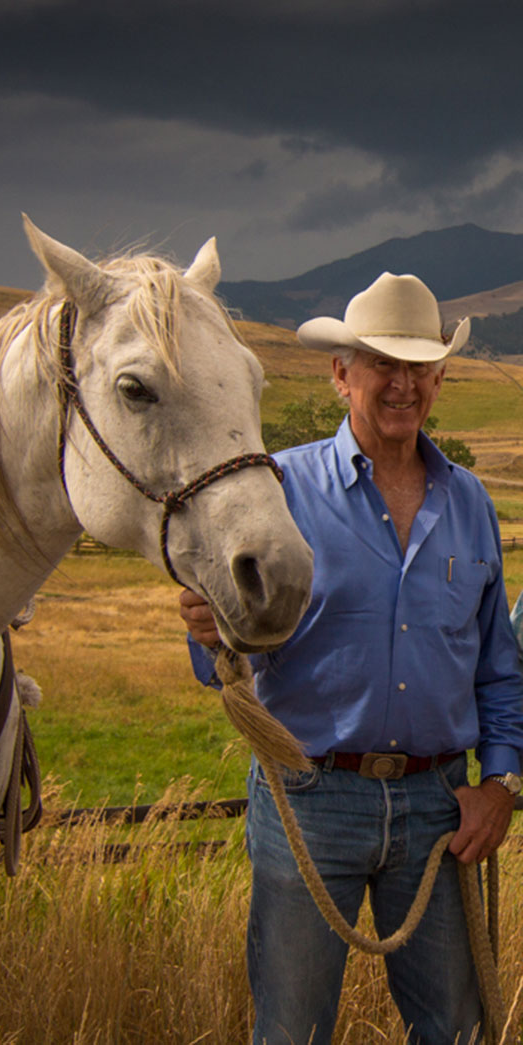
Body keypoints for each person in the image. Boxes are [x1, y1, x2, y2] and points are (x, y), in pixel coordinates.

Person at [180, 272, 523, 1045]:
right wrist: (209, 630)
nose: (403, 384)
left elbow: (497, 666)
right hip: (312, 796)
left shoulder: (470, 501)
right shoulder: (280, 490)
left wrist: (498, 785)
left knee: (457, 1029)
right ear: (341, 374)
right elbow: (223, 658)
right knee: (292, 1029)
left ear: (439, 379)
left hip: (439, 804)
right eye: (382, 364)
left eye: (419, 367)